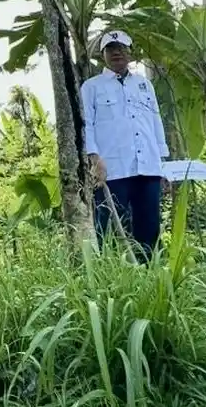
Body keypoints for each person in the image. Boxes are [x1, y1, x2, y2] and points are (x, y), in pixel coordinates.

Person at [81, 30, 170, 262]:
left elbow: (155, 121)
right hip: (112, 169)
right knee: (109, 226)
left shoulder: (144, 85)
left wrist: (162, 164)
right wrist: (94, 158)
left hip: (148, 167)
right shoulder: (92, 87)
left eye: (121, 48)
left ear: (130, 52)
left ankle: (150, 274)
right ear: (102, 55)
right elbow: (86, 125)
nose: (116, 52)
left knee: (149, 227)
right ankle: (110, 276)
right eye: (110, 49)